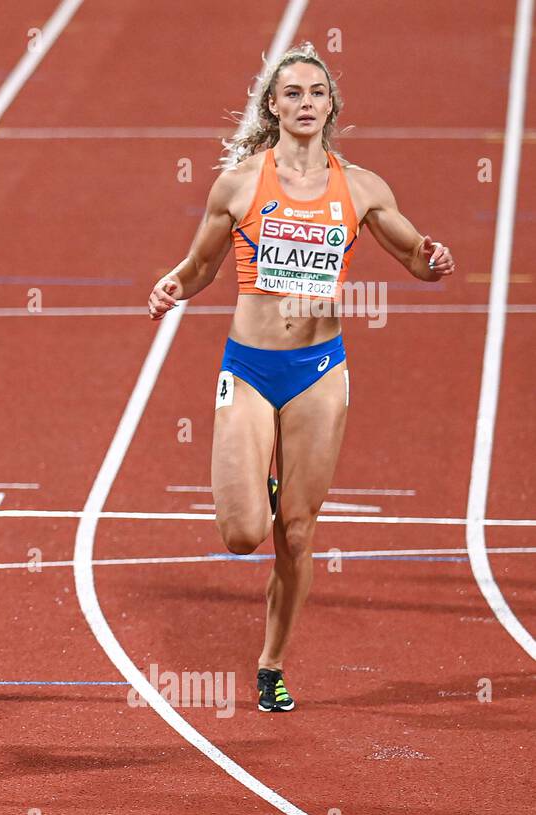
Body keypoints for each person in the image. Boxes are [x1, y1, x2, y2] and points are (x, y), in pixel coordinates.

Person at [147, 44, 455, 712]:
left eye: (317, 92)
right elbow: (201, 266)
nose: (306, 103)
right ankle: (267, 478)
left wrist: (435, 260)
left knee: (297, 534)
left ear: (331, 107)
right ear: (273, 106)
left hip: (319, 371)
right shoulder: (239, 184)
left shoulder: (364, 188)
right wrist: (174, 284)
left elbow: (415, 256)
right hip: (252, 366)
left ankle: (271, 663)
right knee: (241, 532)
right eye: (293, 93)